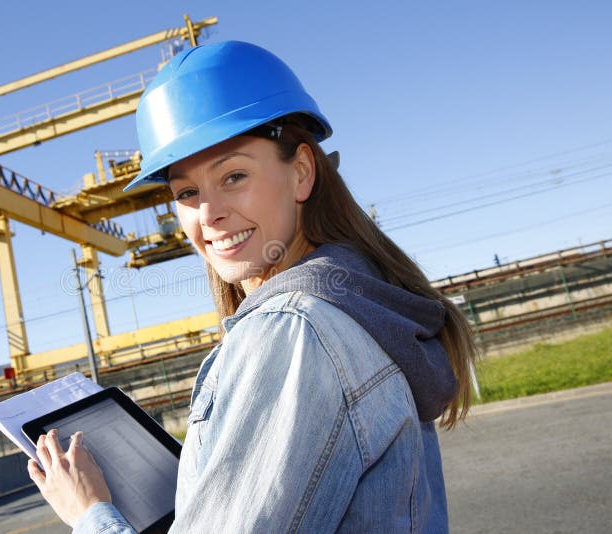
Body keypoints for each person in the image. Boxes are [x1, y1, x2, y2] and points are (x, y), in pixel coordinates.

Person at [27, 40, 477, 533]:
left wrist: (89, 513)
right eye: (186, 192)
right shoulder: (362, 297)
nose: (208, 213)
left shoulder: (293, 333)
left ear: (301, 172)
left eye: (234, 175)